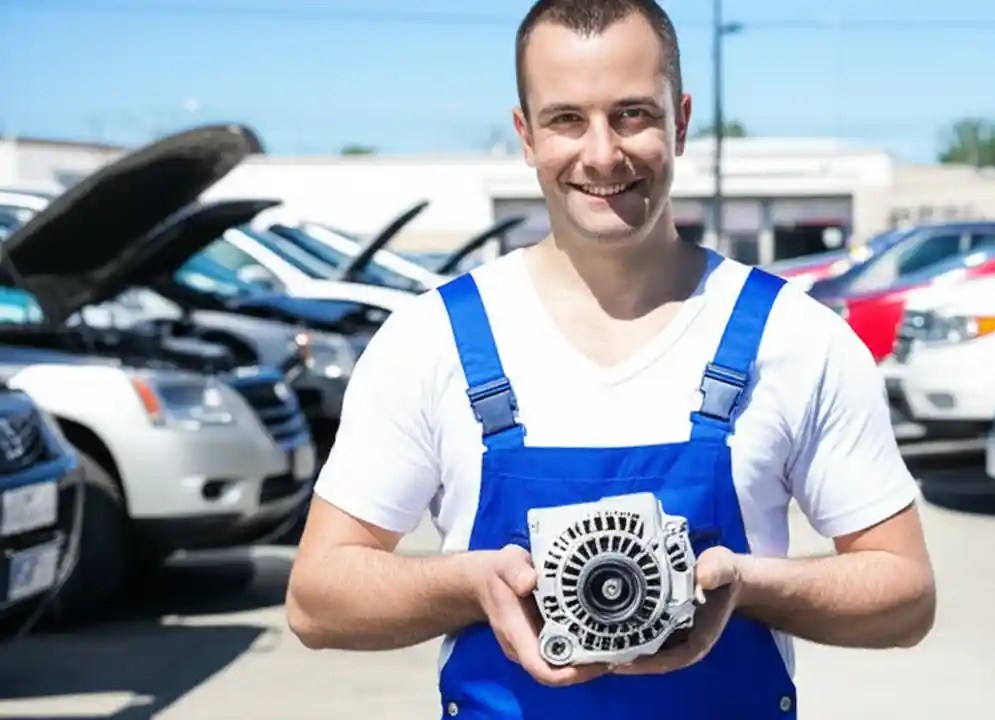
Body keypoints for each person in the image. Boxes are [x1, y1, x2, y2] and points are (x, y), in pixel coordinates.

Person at [285, 1, 936, 716]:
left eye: (632, 114)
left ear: (680, 120)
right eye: (567, 119)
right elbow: (318, 600)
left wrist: (749, 585)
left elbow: (905, 597)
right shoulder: (430, 341)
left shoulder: (795, 339)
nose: (601, 154)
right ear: (525, 135)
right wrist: (469, 584)